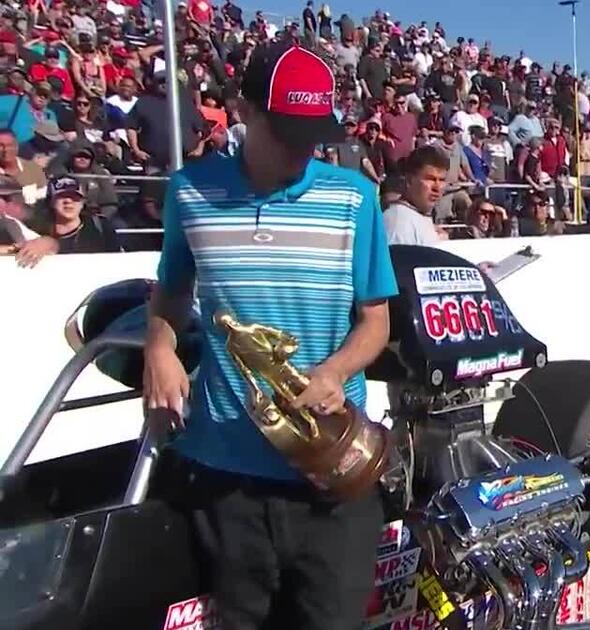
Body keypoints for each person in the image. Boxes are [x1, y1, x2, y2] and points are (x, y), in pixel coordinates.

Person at [142, 42, 398, 630]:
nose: (304, 148)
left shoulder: (354, 197)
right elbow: (172, 290)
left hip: (332, 474)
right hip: (228, 477)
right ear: (244, 110)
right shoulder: (189, 191)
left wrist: (334, 372)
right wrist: (159, 346)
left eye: (314, 134)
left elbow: (375, 323)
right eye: (288, 132)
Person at [382, 149, 447, 246]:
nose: (437, 187)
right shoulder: (399, 222)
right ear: (409, 181)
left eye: (441, 180)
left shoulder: (418, 216)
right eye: (430, 179)